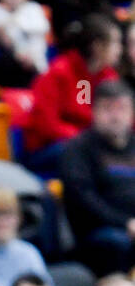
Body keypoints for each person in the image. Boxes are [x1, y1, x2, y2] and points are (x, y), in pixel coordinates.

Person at [23, 14, 121, 176]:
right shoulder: (59, 72)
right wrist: (84, 139)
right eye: (115, 43)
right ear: (97, 46)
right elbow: (46, 125)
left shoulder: (108, 76)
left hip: (88, 144)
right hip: (48, 148)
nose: (120, 49)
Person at [59, 80, 135, 277]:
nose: (115, 116)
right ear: (94, 112)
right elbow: (83, 200)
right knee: (116, 243)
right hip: (98, 232)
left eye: (122, 108)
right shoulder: (78, 149)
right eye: (108, 109)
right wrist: (125, 223)